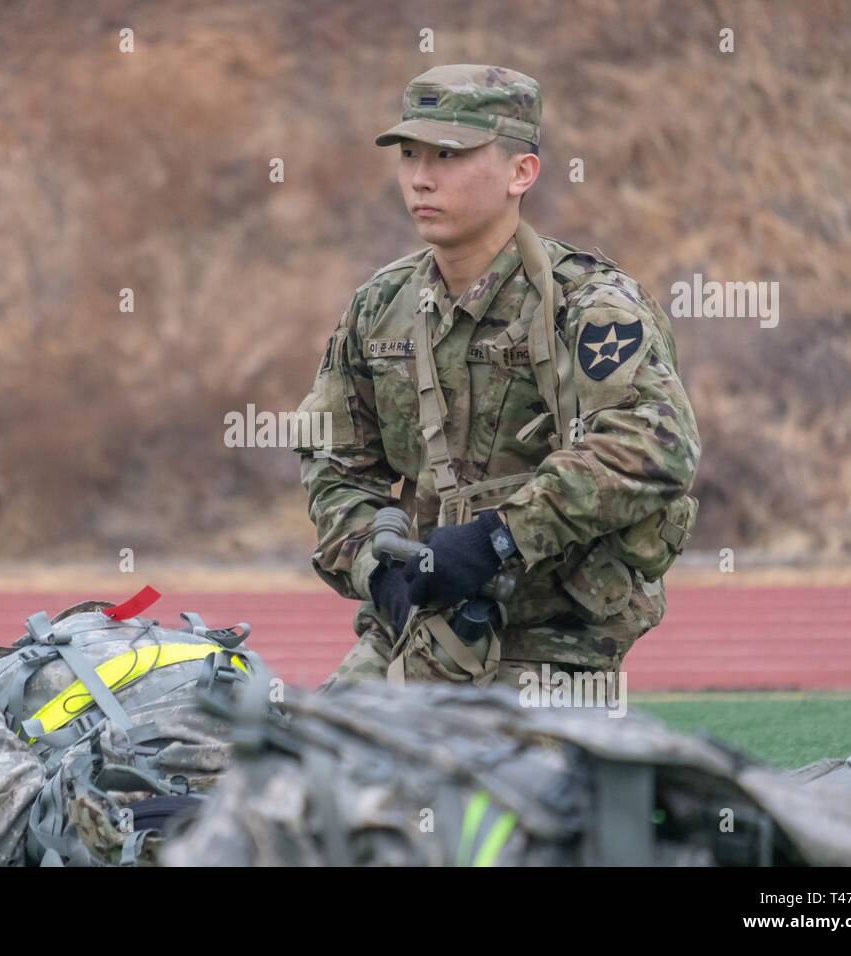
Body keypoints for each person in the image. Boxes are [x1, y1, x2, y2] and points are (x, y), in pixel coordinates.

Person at [293, 64, 701, 690]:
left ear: (521, 172)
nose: (421, 178)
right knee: (310, 770)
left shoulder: (588, 306)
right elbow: (335, 458)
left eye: (450, 155)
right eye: (409, 155)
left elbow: (656, 446)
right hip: (421, 625)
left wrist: (498, 539)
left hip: (555, 643)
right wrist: (376, 565)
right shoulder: (382, 306)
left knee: (487, 785)